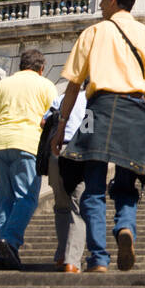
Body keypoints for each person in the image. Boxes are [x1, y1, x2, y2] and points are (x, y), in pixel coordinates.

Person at [52, 0, 145, 273]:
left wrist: (61, 126)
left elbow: (72, 86)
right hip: (136, 114)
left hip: (98, 110)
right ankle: (125, 227)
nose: (100, 4)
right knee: (127, 184)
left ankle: (98, 258)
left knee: (92, 187)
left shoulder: (92, 33)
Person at [0, 48, 57, 269]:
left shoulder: (1, 86)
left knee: (5, 199)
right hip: (27, 144)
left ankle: (6, 250)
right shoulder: (46, 86)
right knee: (27, 198)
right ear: (41, 68)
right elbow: (52, 119)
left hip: (0, 145)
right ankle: (10, 240)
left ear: (21, 65)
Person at [44, 84, 88, 272]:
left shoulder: (61, 99)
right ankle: (72, 260)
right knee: (78, 209)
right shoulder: (91, 101)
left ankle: (61, 255)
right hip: (78, 153)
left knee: (61, 206)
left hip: (56, 153)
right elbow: (90, 129)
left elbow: (43, 122)